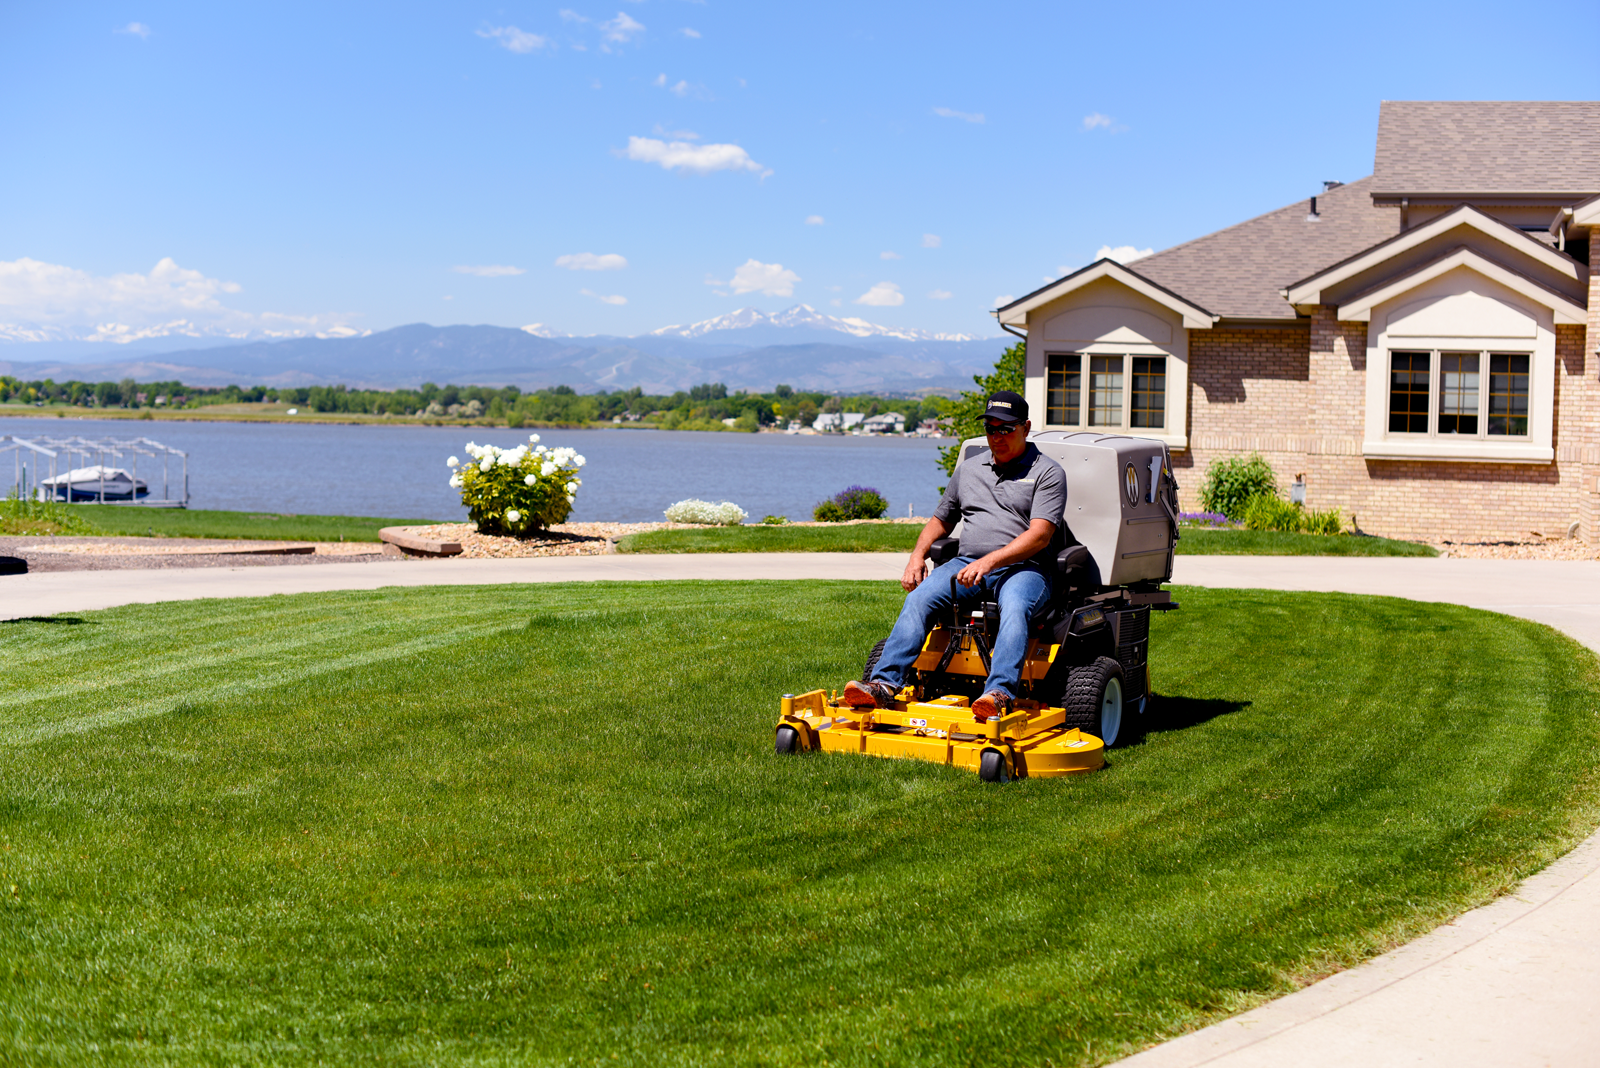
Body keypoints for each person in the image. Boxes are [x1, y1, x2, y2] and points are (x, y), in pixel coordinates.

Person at [843, 390, 1067, 721]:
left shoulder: (1048, 473)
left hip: (1025, 569)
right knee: (919, 599)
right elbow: (941, 520)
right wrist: (917, 555)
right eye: (991, 428)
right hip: (967, 566)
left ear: (1026, 428)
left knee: (1016, 607)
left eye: (1006, 429)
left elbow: (1040, 535)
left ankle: (999, 693)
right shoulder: (969, 470)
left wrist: (989, 561)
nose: (997, 436)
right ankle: (882, 685)